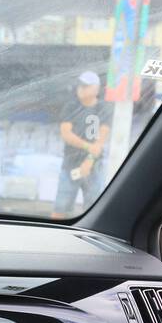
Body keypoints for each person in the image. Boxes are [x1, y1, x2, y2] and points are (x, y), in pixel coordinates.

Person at [52, 71, 111, 219]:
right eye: (80, 86)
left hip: (94, 166)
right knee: (60, 208)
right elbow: (66, 134)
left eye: (86, 86)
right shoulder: (70, 106)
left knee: (94, 209)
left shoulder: (103, 109)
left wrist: (89, 161)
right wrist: (87, 147)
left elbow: (101, 140)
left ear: (96, 89)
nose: (81, 89)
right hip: (70, 164)